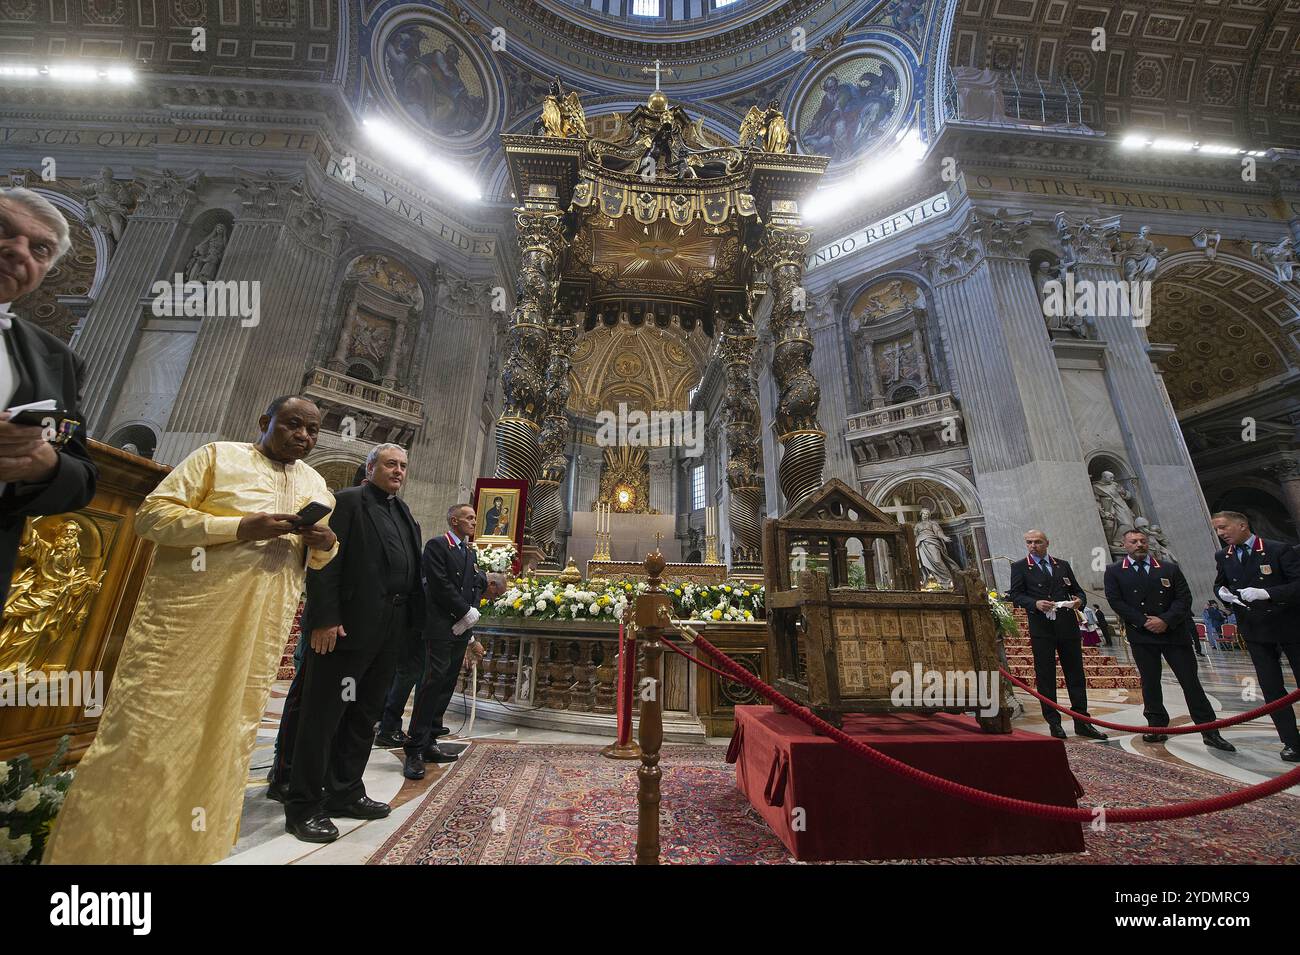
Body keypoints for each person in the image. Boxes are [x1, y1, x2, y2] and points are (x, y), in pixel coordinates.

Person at [44, 396, 339, 864]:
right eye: (292, 425)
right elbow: (153, 517)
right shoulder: (217, 457)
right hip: (186, 627)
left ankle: (192, 852)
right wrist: (240, 526)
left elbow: (321, 553)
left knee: (226, 739)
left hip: (256, 637)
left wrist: (324, 542)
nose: (303, 436)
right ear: (265, 422)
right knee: (149, 735)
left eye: (312, 430)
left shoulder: (315, 483)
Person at [271, 443, 426, 843]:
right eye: (391, 464)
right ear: (371, 466)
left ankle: (345, 791)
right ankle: (303, 805)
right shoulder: (347, 502)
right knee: (322, 717)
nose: (398, 472)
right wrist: (324, 618)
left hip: (389, 628)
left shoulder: (403, 511)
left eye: (403, 466)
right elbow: (324, 562)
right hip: (346, 629)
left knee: (363, 715)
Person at [0, 187, 98, 603]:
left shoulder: (57, 359)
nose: (19, 251)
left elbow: (82, 477)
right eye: (5, 230)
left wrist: (44, 464)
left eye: (39, 249)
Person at [1103, 529, 1234, 751]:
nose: (1139, 544)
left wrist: (1164, 620)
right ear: (1124, 545)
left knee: (1191, 683)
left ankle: (1209, 730)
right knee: (1150, 682)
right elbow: (1116, 601)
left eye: (1142, 541)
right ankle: (1156, 726)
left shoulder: (1168, 568)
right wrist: (1144, 621)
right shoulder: (1114, 571)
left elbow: (1184, 598)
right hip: (1142, 634)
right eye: (1133, 541)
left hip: (1173, 633)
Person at [402, 503, 504, 780]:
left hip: (458, 629)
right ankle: (414, 748)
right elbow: (439, 584)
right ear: (453, 520)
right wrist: (464, 611)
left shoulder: (467, 552)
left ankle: (431, 740)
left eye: (474, 517)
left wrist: (469, 622)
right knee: (431, 683)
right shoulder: (438, 546)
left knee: (447, 684)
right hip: (439, 625)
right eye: (468, 518)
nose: (474, 522)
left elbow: (472, 587)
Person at [1211, 510, 1300, 762]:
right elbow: (1220, 583)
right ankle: (1291, 741)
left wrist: (1267, 593)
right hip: (1255, 628)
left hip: (1289, 624)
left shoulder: (1278, 549)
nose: (1221, 533)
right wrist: (1222, 593)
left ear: (1242, 525)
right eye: (1217, 529)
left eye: (1224, 527)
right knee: (1272, 688)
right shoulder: (1224, 556)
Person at [1008, 529, 1107, 741]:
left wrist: (1079, 601)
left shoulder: (1061, 565)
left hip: (1067, 626)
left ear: (1047, 543)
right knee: (1046, 676)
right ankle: (1054, 722)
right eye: (1029, 542)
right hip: (1041, 628)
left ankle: (1082, 721)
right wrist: (1034, 603)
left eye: (1037, 542)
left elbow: (1078, 591)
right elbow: (1015, 594)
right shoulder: (1019, 567)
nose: (1033, 546)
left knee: (1075, 674)